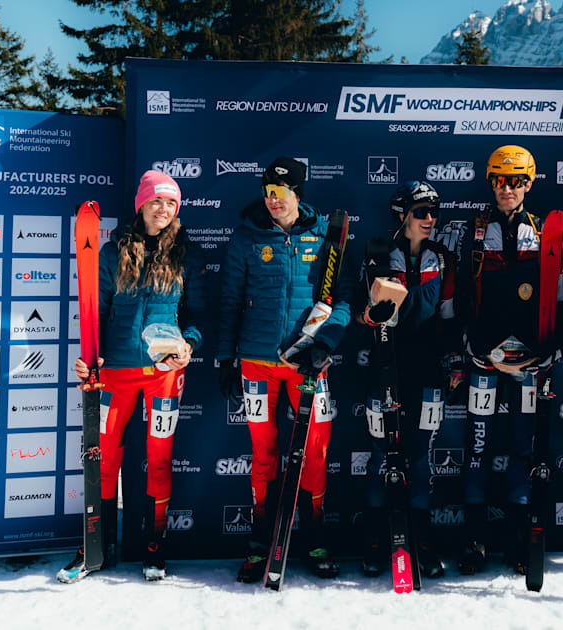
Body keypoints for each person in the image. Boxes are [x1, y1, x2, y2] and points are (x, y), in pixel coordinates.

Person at [58, 170, 206, 583]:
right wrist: (91, 360)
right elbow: (96, 314)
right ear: (141, 204)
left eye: (171, 203)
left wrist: (188, 345)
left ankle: (154, 548)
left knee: (159, 461)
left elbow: (198, 315)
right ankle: (95, 547)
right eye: (156, 201)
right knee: (103, 459)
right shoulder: (110, 253)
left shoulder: (185, 256)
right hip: (117, 373)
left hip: (164, 374)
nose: (163, 209)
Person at [216, 157, 352, 583]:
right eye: (268, 192)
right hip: (257, 364)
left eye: (282, 192)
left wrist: (325, 345)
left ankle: (314, 538)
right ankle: (260, 542)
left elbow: (343, 301)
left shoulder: (326, 236)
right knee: (264, 453)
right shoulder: (245, 238)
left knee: (316, 451)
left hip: (309, 363)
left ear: (299, 193)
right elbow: (230, 303)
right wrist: (225, 359)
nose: (274, 200)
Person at [457, 145, 563, 574]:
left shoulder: (543, 231)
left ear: (528, 184)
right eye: (500, 180)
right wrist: (468, 344)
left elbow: (558, 295)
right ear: (490, 182)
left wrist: (549, 349)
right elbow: (460, 289)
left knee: (524, 446)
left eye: (517, 181)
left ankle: (521, 537)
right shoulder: (474, 229)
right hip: (484, 355)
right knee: (479, 445)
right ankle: (475, 537)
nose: (507, 189)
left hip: (528, 360)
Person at [356, 180, 460, 580]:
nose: (430, 219)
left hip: (428, 368)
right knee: (382, 456)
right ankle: (376, 541)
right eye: (421, 212)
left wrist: (453, 362)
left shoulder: (443, 258)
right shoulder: (379, 253)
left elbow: (449, 315)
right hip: (385, 365)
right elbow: (361, 309)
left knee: (419, 459)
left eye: (434, 212)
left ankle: (422, 541)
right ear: (403, 215)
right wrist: (370, 316)